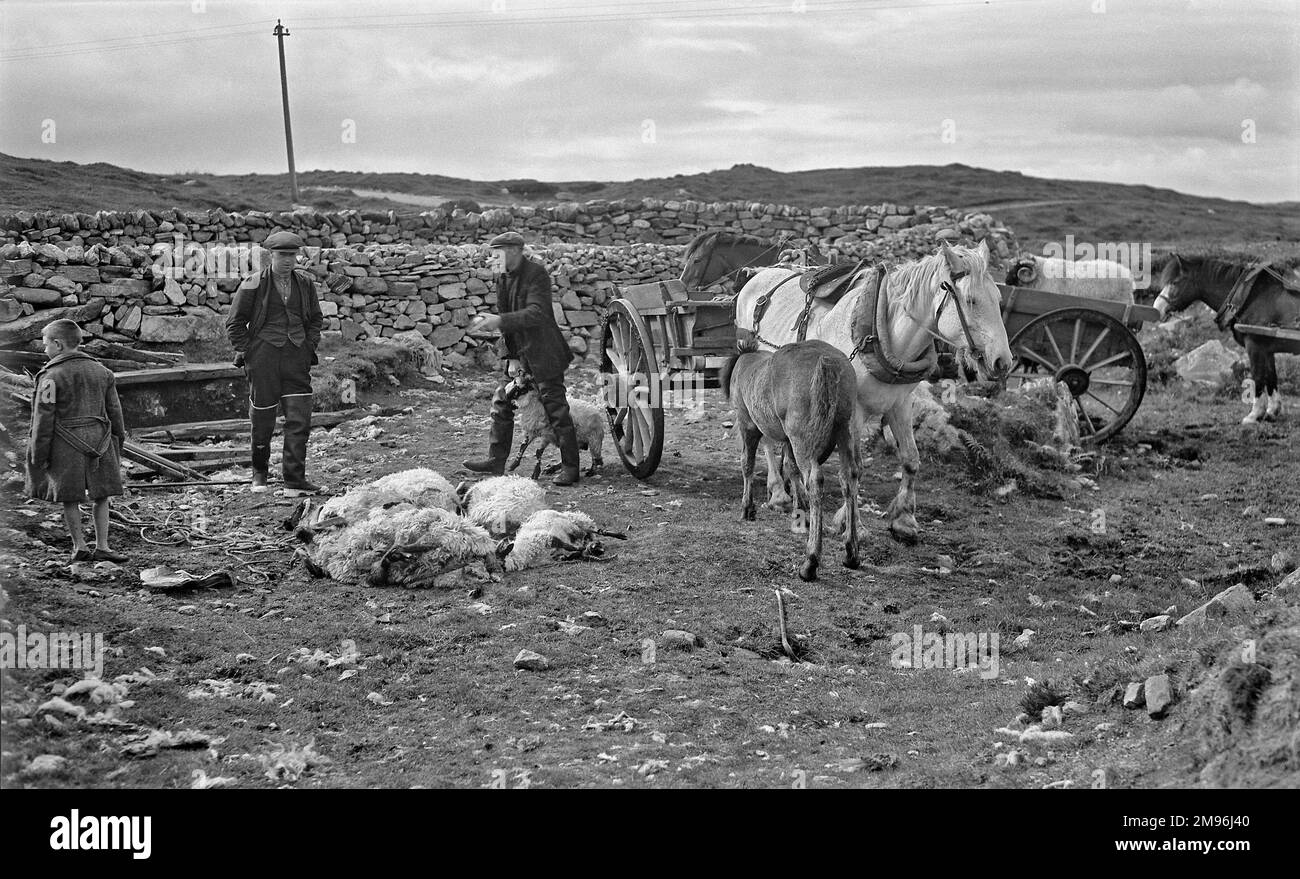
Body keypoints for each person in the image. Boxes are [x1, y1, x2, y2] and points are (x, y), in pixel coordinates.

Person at [462, 231, 581, 485]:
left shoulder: (537, 274)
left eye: (497, 254)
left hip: (545, 353)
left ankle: (571, 468)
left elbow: (537, 314)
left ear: (514, 251)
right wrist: (512, 357)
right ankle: (496, 461)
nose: (494, 259)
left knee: (556, 408)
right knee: (502, 401)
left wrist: (499, 320)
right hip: (521, 355)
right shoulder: (503, 278)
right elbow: (506, 320)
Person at [225, 231, 324, 494]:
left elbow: (315, 319)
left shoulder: (305, 284)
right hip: (264, 359)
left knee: (300, 419)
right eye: (283, 255)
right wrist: (250, 352)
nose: (288, 261)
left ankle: (294, 480)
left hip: (297, 359)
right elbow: (234, 324)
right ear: (271, 255)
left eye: (292, 255)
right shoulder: (252, 284)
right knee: (263, 419)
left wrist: (308, 345)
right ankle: (259, 475)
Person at [26, 319, 128, 564]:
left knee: (70, 497)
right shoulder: (103, 372)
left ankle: (79, 546)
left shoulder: (50, 377)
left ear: (58, 345)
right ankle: (103, 546)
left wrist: (38, 453)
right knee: (102, 495)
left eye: (45, 344)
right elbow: (115, 411)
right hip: (100, 440)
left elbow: (43, 417)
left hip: (65, 444)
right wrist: (118, 442)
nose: (44, 350)